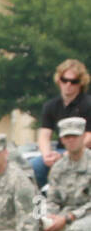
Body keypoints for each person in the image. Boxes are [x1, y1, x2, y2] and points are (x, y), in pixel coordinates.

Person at [29, 116, 90, 231]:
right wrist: (49, 217)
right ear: (62, 139)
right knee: (31, 224)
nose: (70, 141)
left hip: (85, 215)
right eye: (67, 137)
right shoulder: (59, 166)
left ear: (83, 137)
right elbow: (53, 198)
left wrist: (67, 218)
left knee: (79, 230)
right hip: (64, 214)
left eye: (74, 136)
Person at [30, 59, 91, 189]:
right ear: (59, 80)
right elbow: (44, 135)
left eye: (74, 82)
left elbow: (89, 137)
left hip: (84, 152)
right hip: (60, 151)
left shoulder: (88, 104)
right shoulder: (51, 106)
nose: (68, 84)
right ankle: (39, 202)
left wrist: (66, 155)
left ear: (81, 83)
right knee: (34, 167)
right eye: (64, 80)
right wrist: (47, 155)